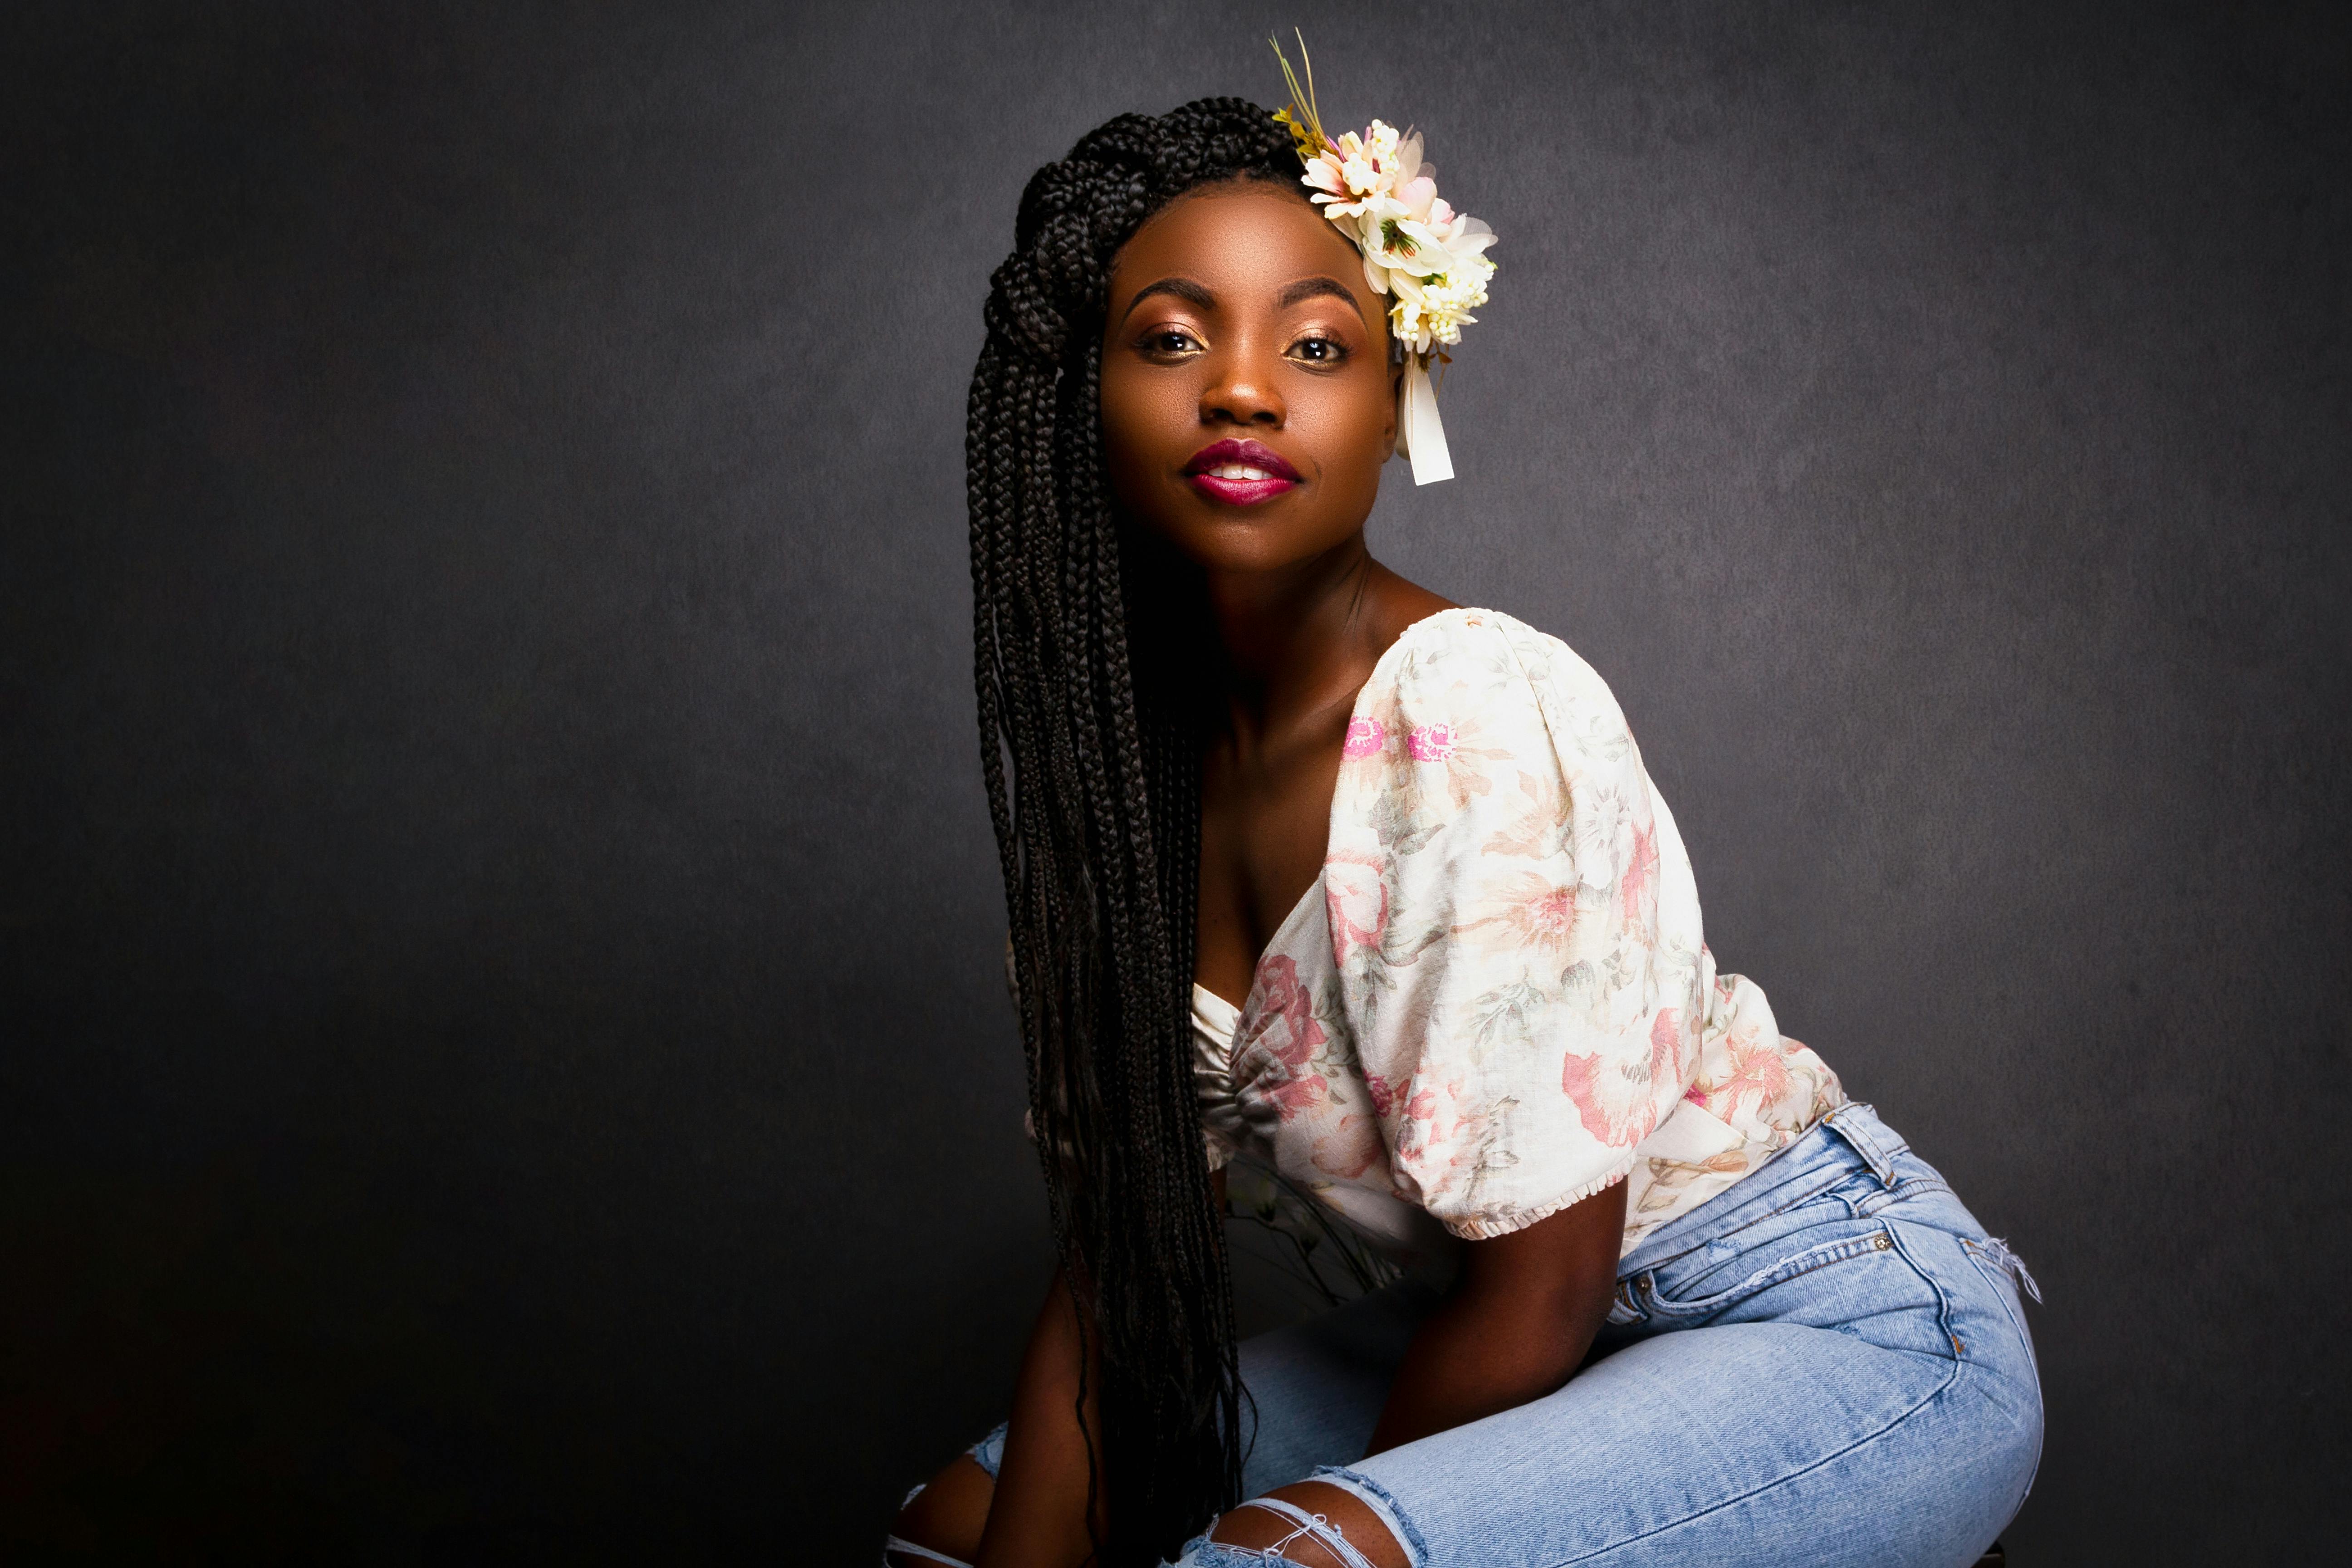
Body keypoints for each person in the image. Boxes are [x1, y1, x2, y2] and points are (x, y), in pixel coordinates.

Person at [886, 76, 2043, 1568]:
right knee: (959, 1537)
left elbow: (1542, 1286)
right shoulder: (1118, 793)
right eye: (1171, 339)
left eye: (1316, 345)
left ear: (1392, 407)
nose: (1242, 389)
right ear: (1083, 401)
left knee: (1277, 1565)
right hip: (1499, 1330)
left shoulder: (1467, 709)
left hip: (1814, 1311)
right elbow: (1126, 1270)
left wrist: (1333, 1539)